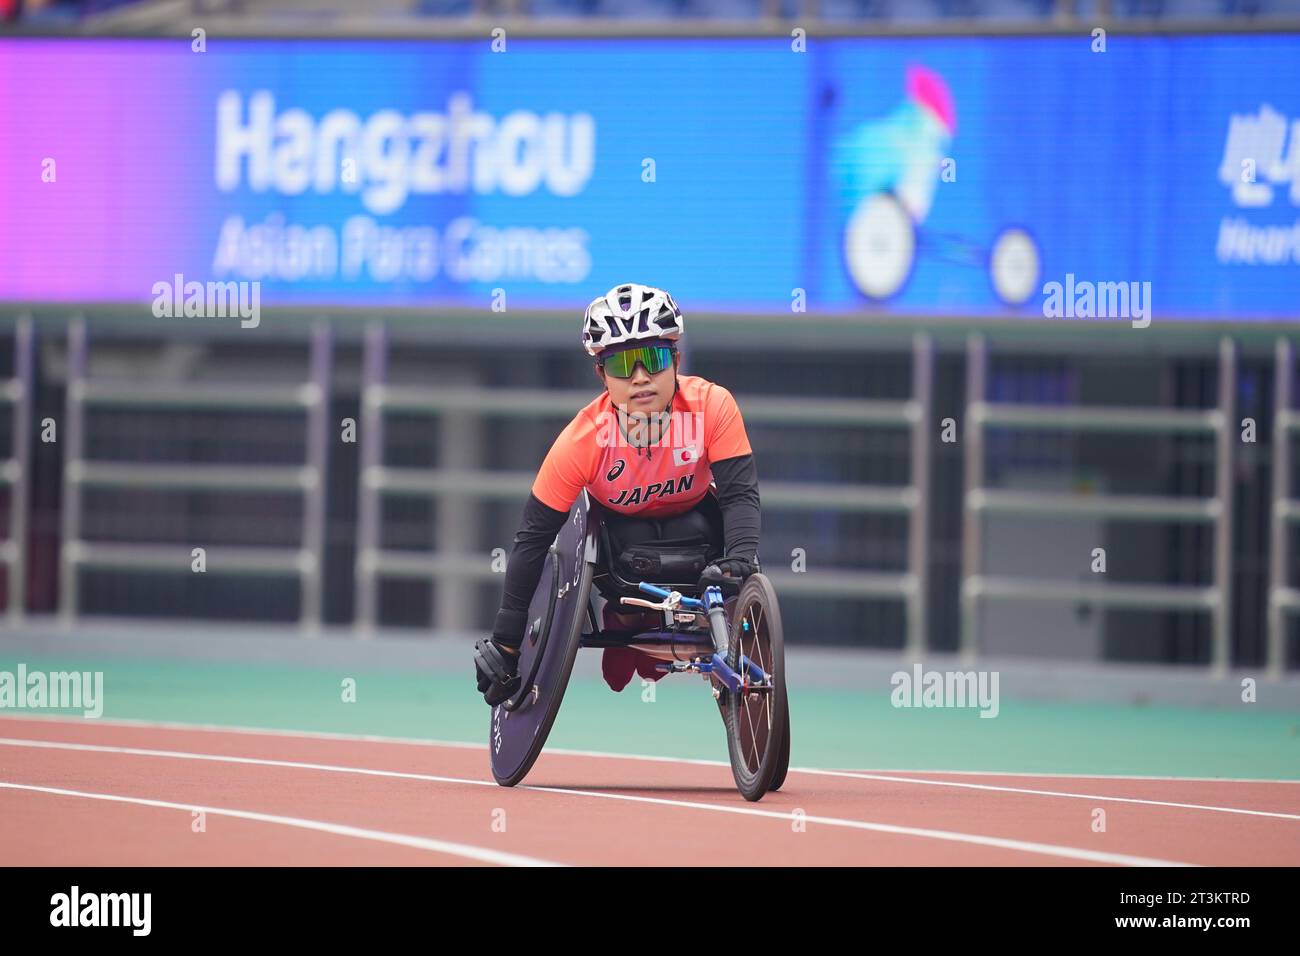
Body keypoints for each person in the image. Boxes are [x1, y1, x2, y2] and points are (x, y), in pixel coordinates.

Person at [474, 283, 762, 705]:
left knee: (722, 531)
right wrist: (507, 642)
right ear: (601, 374)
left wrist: (739, 560)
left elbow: (739, 496)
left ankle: (660, 626)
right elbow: (532, 540)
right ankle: (625, 615)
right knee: (630, 643)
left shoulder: (713, 406)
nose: (641, 376)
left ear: (676, 360)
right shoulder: (582, 440)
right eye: (623, 364)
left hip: (698, 533)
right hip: (620, 549)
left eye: (654, 358)